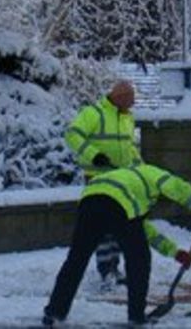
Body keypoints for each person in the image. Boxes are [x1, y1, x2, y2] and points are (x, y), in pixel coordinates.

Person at [42, 163, 191, 326]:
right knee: (139, 259)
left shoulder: (127, 183)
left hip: (89, 201)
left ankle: (55, 311)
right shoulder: (152, 173)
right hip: (116, 203)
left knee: (76, 259)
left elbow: (144, 230)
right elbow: (178, 188)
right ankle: (136, 316)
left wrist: (174, 252)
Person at [64, 80, 142, 287]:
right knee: (102, 227)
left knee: (119, 225)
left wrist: (139, 168)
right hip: (97, 178)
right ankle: (105, 268)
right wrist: (94, 155)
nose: (133, 104)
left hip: (121, 179)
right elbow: (72, 135)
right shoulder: (94, 113)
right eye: (130, 99)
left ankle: (114, 267)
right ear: (119, 97)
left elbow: (129, 147)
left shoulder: (127, 118)